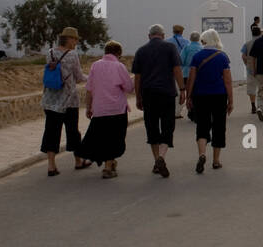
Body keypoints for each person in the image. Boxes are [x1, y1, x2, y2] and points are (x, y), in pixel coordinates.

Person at [131, 23, 184, 177]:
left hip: (148, 94)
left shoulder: (141, 51)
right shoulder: (170, 48)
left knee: (152, 126)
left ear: (149, 36)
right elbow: (177, 69)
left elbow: (137, 77)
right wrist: (182, 89)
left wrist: (138, 96)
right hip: (167, 93)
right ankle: (161, 157)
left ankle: (156, 161)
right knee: (168, 126)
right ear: (162, 35)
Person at [78, 40, 134, 178]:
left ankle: (109, 163)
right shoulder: (119, 66)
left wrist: (88, 107)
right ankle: (108, 168)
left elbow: (89, 89)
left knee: (102, 138)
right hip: (117, 109)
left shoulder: (95, 66)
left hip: (100, 109)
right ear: (118, 54)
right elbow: (129, 88)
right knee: (114, 138)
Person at [41, 27, 89, 175]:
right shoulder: (73, 55)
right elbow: (79, 76)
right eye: (75, 39)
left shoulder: (49, 53)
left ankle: (51, 165)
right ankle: (78, 161)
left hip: (50, 99)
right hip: (69, 100)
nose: (76, 42)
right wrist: (93, 78)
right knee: (72, 131)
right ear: (68, 39)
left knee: (51, 131)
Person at [184, 29, 232, 174]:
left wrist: (188, 96)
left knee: (202, 126)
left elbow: (191, 79)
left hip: (200, 95)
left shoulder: (197, 57)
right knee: (219, 126)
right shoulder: (223, 57)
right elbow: (228, 81)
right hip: (219, 95)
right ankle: (216, 161)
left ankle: (202, 154)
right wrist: (231, 100)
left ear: (204, 41)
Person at [239, 32, 259, 114]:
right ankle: (262, 106)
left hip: (250, 69)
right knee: (262, 88)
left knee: (251, 88)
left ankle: (253, 105)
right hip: (262, 69)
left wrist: (246, 64)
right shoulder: (261, 42)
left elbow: (243, 56)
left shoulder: (247, 44)